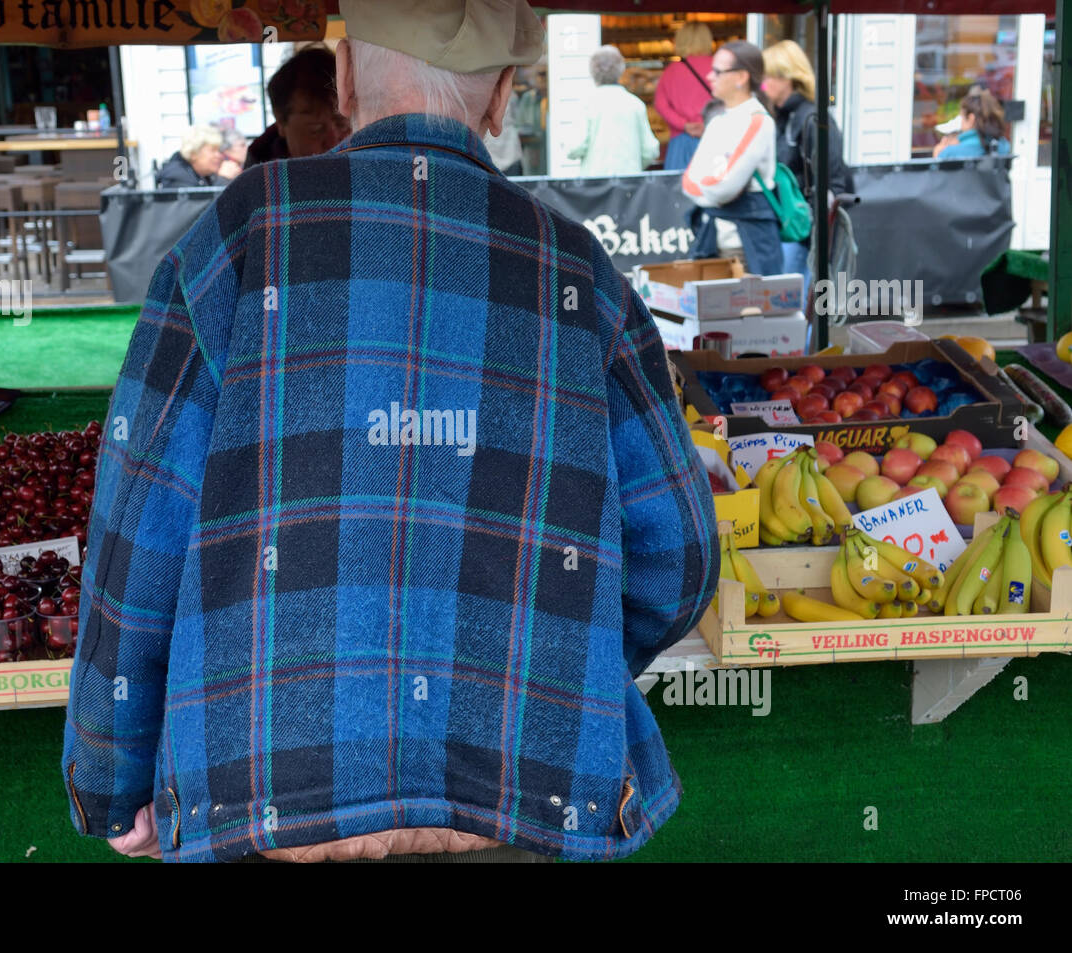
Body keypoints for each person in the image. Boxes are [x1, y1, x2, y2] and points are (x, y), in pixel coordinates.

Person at [64, 0, 718, 865]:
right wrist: (547, 651)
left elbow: (137, 532)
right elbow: (678, 553)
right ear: (501, 99)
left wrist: (111, 779)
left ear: (339, 78)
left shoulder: (241, 233)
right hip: (517, 803)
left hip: (273, 802)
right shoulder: (577, 269)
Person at [681, 40, 783, 277]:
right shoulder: (719, 121)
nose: (709, 76)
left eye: (718, 71)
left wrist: (707, 190)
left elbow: (722, 188)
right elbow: (690, 183)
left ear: (741, 77)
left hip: (746, 245)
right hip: (716, 240)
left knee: (752, 313)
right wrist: (712, 190)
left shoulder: (757, 121)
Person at [762, 39, 856, 290]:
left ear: (788, 78)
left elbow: (833, 181)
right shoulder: (783, 118)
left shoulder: (813, 119)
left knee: (792, 301)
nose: (763, 83)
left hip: (805, 234)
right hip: (789, 228)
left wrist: (816, 232)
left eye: (769, 76)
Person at [244, 46, 351, 167]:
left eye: (343, 125)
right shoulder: (258, 180)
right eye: (315, 129)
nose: (333, 143)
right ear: (281, 122)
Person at [567, 46, 660, 176]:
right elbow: (650, 150)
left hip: (594, 182)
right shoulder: (635, 104)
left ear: (592, 72)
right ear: (620, 70)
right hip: (629, 181)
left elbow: (574, 148)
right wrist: (634, 164)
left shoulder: (587, 103)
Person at [654, 22, 715, 172]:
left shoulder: (671, 71)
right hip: (713, 137)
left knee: (677, 190)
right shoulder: (718, 68)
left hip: (681, 141)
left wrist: (684, 125)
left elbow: (660, 105)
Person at [934, 89, 1011, 159]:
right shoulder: (1004, 146)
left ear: (971, 119)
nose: (961, 123)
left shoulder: (950, 153)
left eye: (962, 118)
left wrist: (938, 157)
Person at [155, 125, 224, 188]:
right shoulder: (177, 177)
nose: (219, 155)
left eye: (219, 150)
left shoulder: (206, 175)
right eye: (213, 150)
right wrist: (222, 180)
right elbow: (203, 201)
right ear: (193, 153)